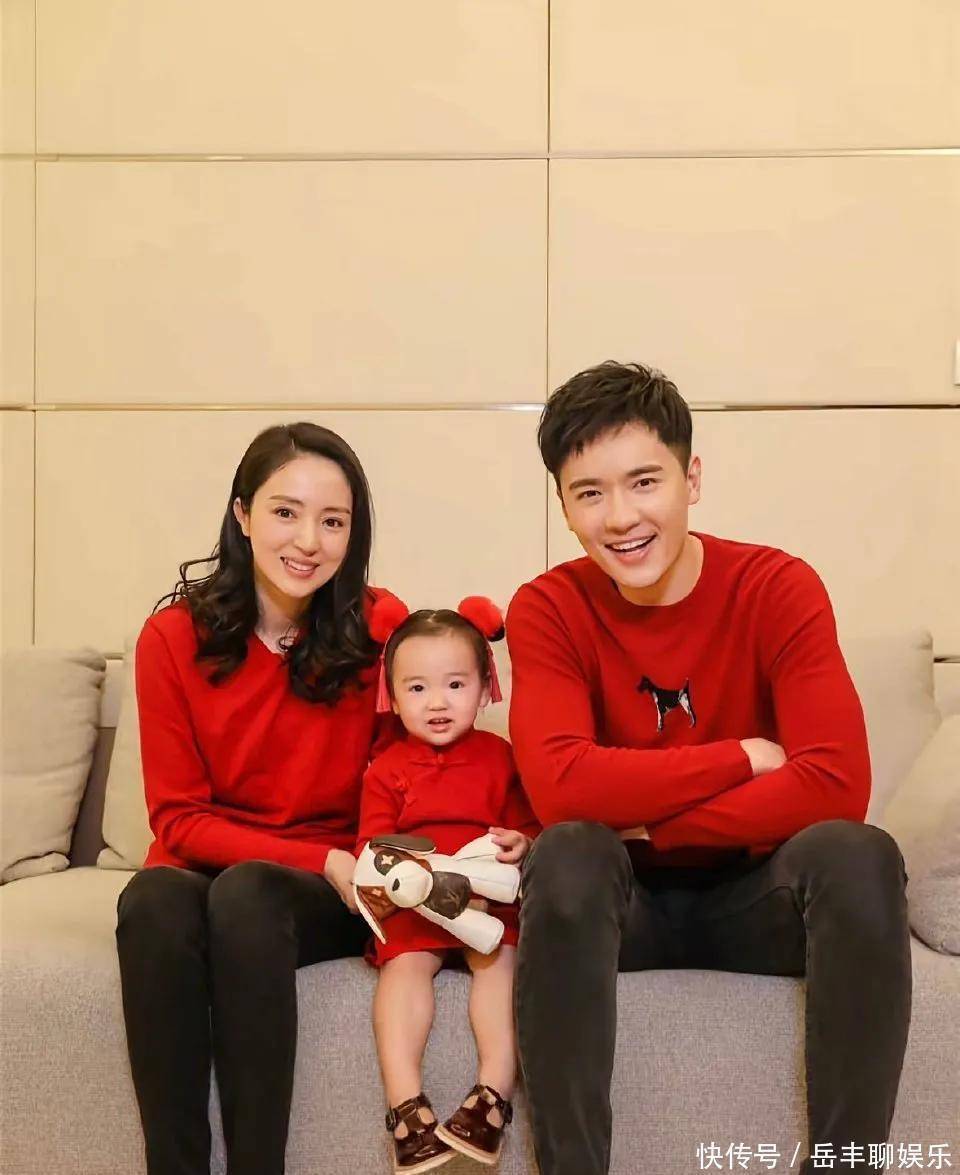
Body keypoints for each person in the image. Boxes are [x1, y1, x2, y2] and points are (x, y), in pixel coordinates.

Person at [505, 361, 911, 1175]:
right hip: (617, 907)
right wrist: (739, 758)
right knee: (572, 849)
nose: (621, 517)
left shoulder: (777, 585)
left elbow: (837, 783)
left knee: (859, 853)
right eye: (589, 493)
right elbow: (562, 788)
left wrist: (650, 823)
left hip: (756, 898)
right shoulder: (547, 607)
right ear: (563, 505)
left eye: (644, 481)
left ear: (691, 478)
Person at [115, 421, 399, 1175]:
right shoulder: (171, 638)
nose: (308, 540)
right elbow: (177, 818)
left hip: (320, 887)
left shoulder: (380, 628)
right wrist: (319, 857)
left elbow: (405, 777)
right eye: (285, 512)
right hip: (226, 863)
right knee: (152, 902)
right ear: (242, 514)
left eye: (332, 521)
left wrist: (343, 862)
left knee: (247, 895)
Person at [357, 598, 539, 1173]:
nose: (437, 702)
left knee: (500, 962)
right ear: (391, 696)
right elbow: (373, 848)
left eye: (455, 684)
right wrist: (395, 879)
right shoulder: (386, 768)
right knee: (404, 968)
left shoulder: (501, 758)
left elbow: (527, 827)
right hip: (417, 900)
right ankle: (406, 1108)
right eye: (417, 688)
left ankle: (491, 1098)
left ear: (485, 688)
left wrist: (521, 842)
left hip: (485, 897)